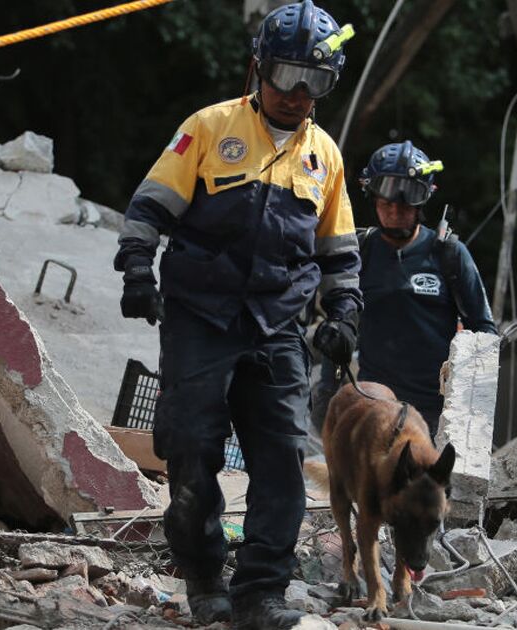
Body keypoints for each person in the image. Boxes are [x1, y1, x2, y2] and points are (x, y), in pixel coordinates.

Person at [113, 3, 360, 628]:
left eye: (316, 81)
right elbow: (150, 205)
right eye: (286, 75)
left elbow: (340, 254)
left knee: (280, 457)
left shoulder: (324, 158)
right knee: (192, 447)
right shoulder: (208, 126)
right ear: (259, 69)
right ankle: (203, 577)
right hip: (200, 316)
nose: (298, 94)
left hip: (278, 327)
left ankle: (261, 592)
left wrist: (346, 314)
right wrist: (138, 268)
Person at [350, 140, 497, 432]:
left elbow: (484, 332)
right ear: (373, 198)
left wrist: (470, 413)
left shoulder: (449, 254)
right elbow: (340, 321)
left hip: (434, 411)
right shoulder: (360, 251)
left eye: (406, 202)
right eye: (387, 202)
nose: (396, 210)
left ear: (422, 201)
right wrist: (328, 387)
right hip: (373, 404)